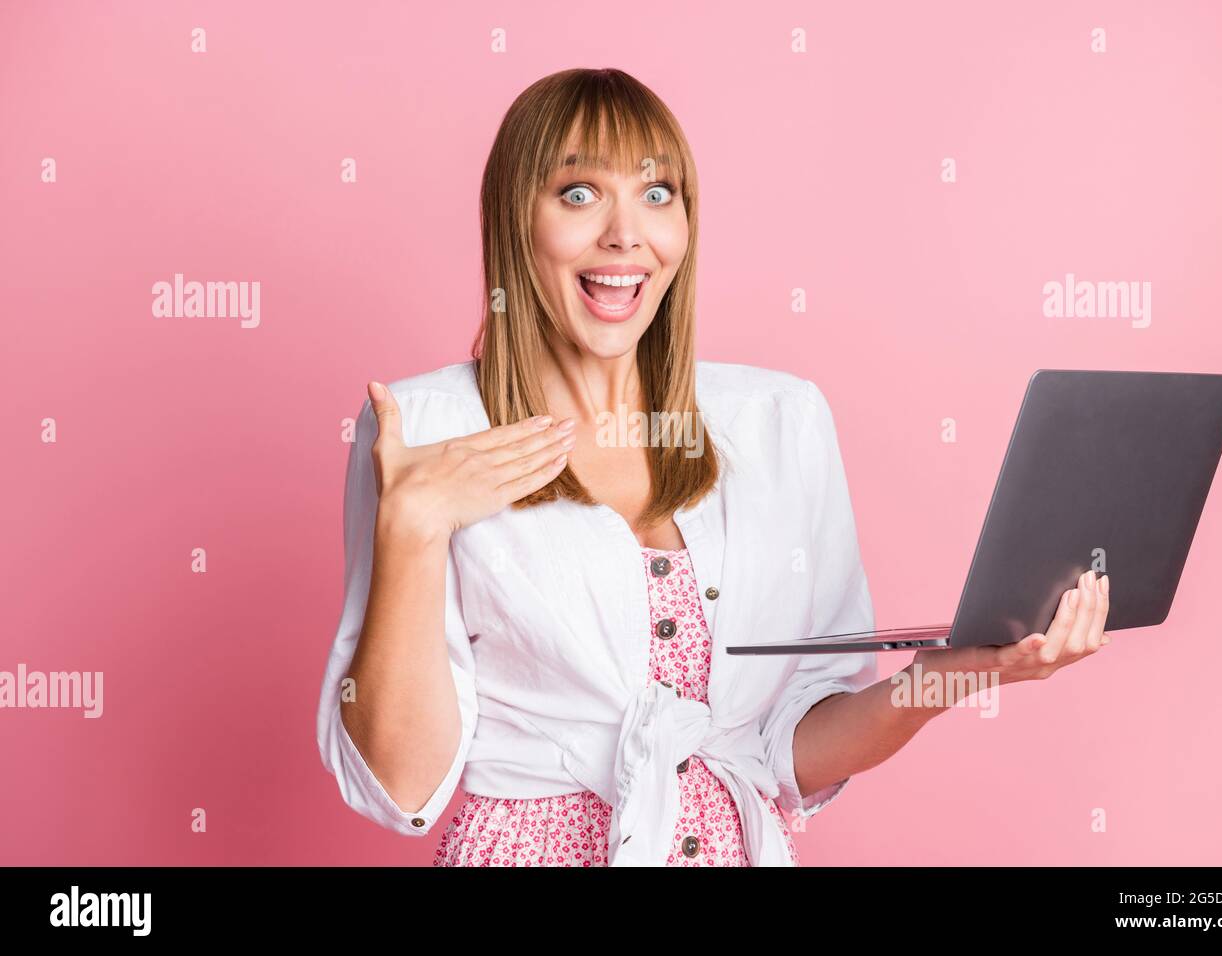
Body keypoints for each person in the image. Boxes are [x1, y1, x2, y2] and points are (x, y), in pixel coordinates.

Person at [315, 67, 1110, 867]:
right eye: (579, 193)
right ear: (515, 218)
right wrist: (412, 530)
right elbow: (402, 785)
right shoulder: (424, 428)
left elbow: (791, 750)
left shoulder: (779, 420)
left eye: (657, 194)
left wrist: (959, 672)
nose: (626, 234)